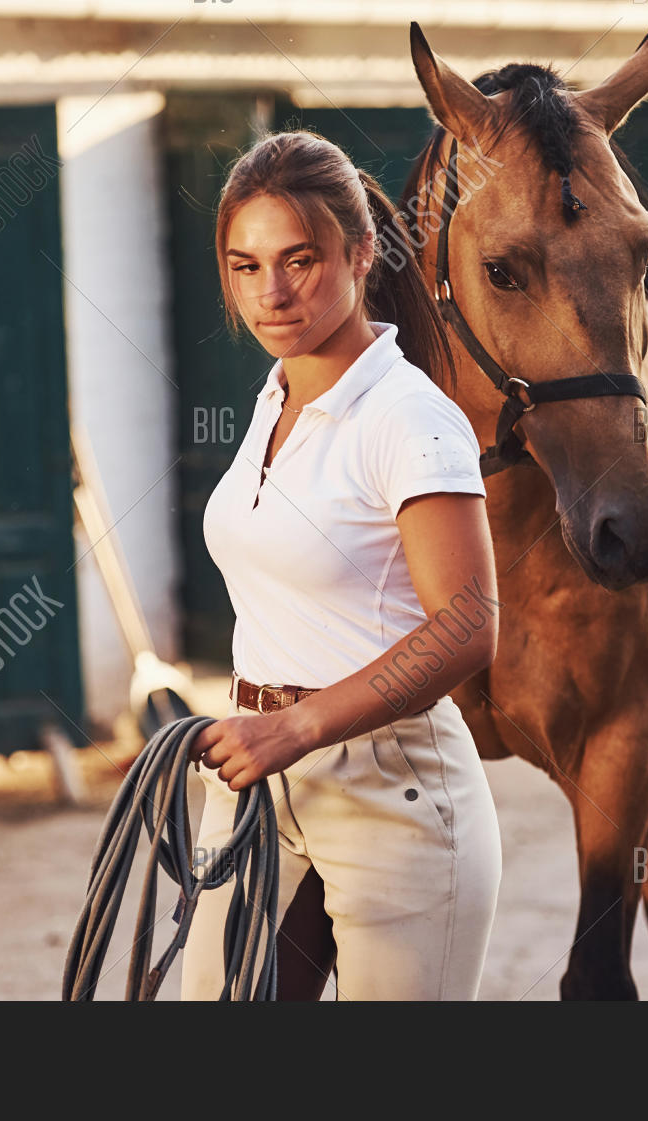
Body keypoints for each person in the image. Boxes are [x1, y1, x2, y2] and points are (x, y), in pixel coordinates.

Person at [178, 130, 504, 1001]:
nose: (271, 292)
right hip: (258, 781)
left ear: (361, 255)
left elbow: (470, 627)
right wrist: (262, 728)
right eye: (245, 266)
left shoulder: (409, 418)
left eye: (298, 259)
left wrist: (293, 727)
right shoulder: (277, 393)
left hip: (390, 787)